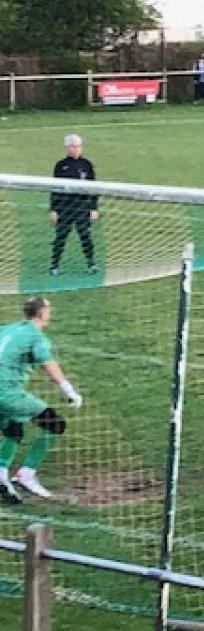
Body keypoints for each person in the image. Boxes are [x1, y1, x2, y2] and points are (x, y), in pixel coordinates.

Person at [0, 297, 83, 503]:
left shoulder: (9, 329)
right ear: (42, 313)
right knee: (55, 424)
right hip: (7, 393)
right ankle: (26, 473)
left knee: (14, 428)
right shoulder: (36, 337)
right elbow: (49, 365)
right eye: (49, 309)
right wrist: (69, 391)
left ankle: (2, 473)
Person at [49, 134, 99, 276]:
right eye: (73, 146)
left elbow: (95, 188)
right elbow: (54, 189)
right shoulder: (60, 166)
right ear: (68, 147)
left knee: (85, 236)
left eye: (78, 146)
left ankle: (91, 264)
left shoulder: (87, 165)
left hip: (82, 207)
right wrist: (53, 209)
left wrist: (94, 208)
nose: (76, 149)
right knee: (61, 237)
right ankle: (54, 265)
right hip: (65, 207)